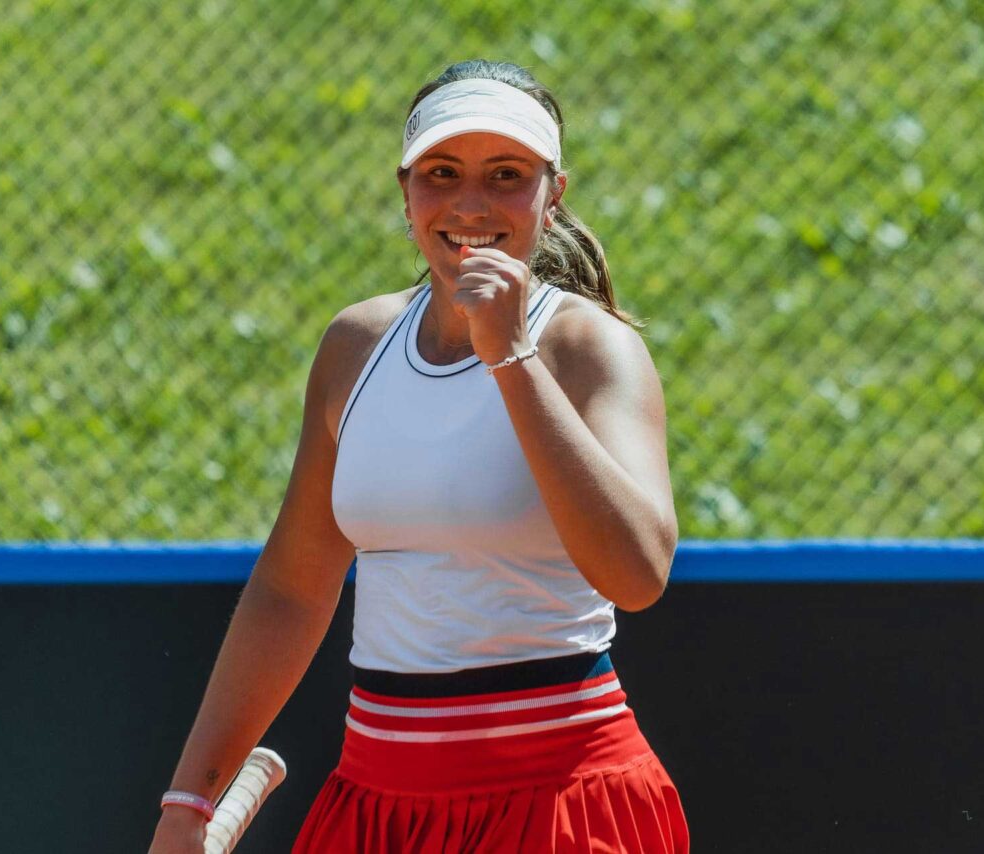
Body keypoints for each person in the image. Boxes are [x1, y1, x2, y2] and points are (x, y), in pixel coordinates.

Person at [147, 59, 689, 853]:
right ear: (406, 193)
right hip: (378, 806)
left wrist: (511, 357)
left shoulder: (590, 349)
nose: (470, 203)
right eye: (441, 173)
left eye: (506, 175)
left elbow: (638, 574)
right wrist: (188, 803)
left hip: (561, 809)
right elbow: (292, 588)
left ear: (553, 195)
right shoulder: (354, 346)